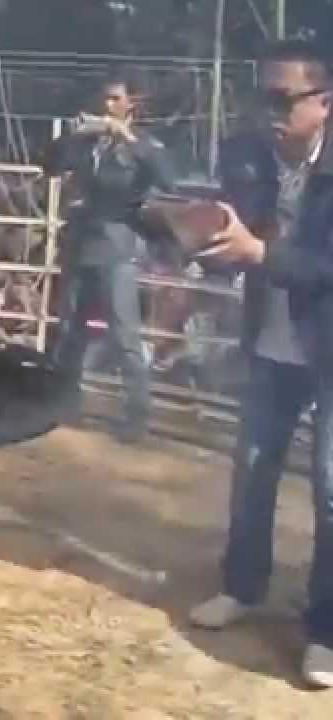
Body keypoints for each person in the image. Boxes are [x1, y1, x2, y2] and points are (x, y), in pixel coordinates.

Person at [186, 40, 333, 688]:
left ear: (324, 104)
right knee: (251, 470)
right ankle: (242, 586)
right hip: (270, 344)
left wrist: (258, 253)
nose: (268, 113)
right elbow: (234, 231)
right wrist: (199, 241)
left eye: (284, 99)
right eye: (261, 97)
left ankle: (326, 631)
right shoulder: (246, 154)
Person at [45, 71, 177, 443]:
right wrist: (73, 135)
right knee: (72, 330)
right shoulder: (88, 144)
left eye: (114, 99)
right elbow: (50, 165)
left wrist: (130, 141)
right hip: (81, 243)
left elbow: (169, 180)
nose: (105, 107)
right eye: (103, 99)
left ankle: (137, 414)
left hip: (118, 248)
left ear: (130, 104)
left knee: (125, 334)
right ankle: (65, 401)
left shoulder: (144, 144)